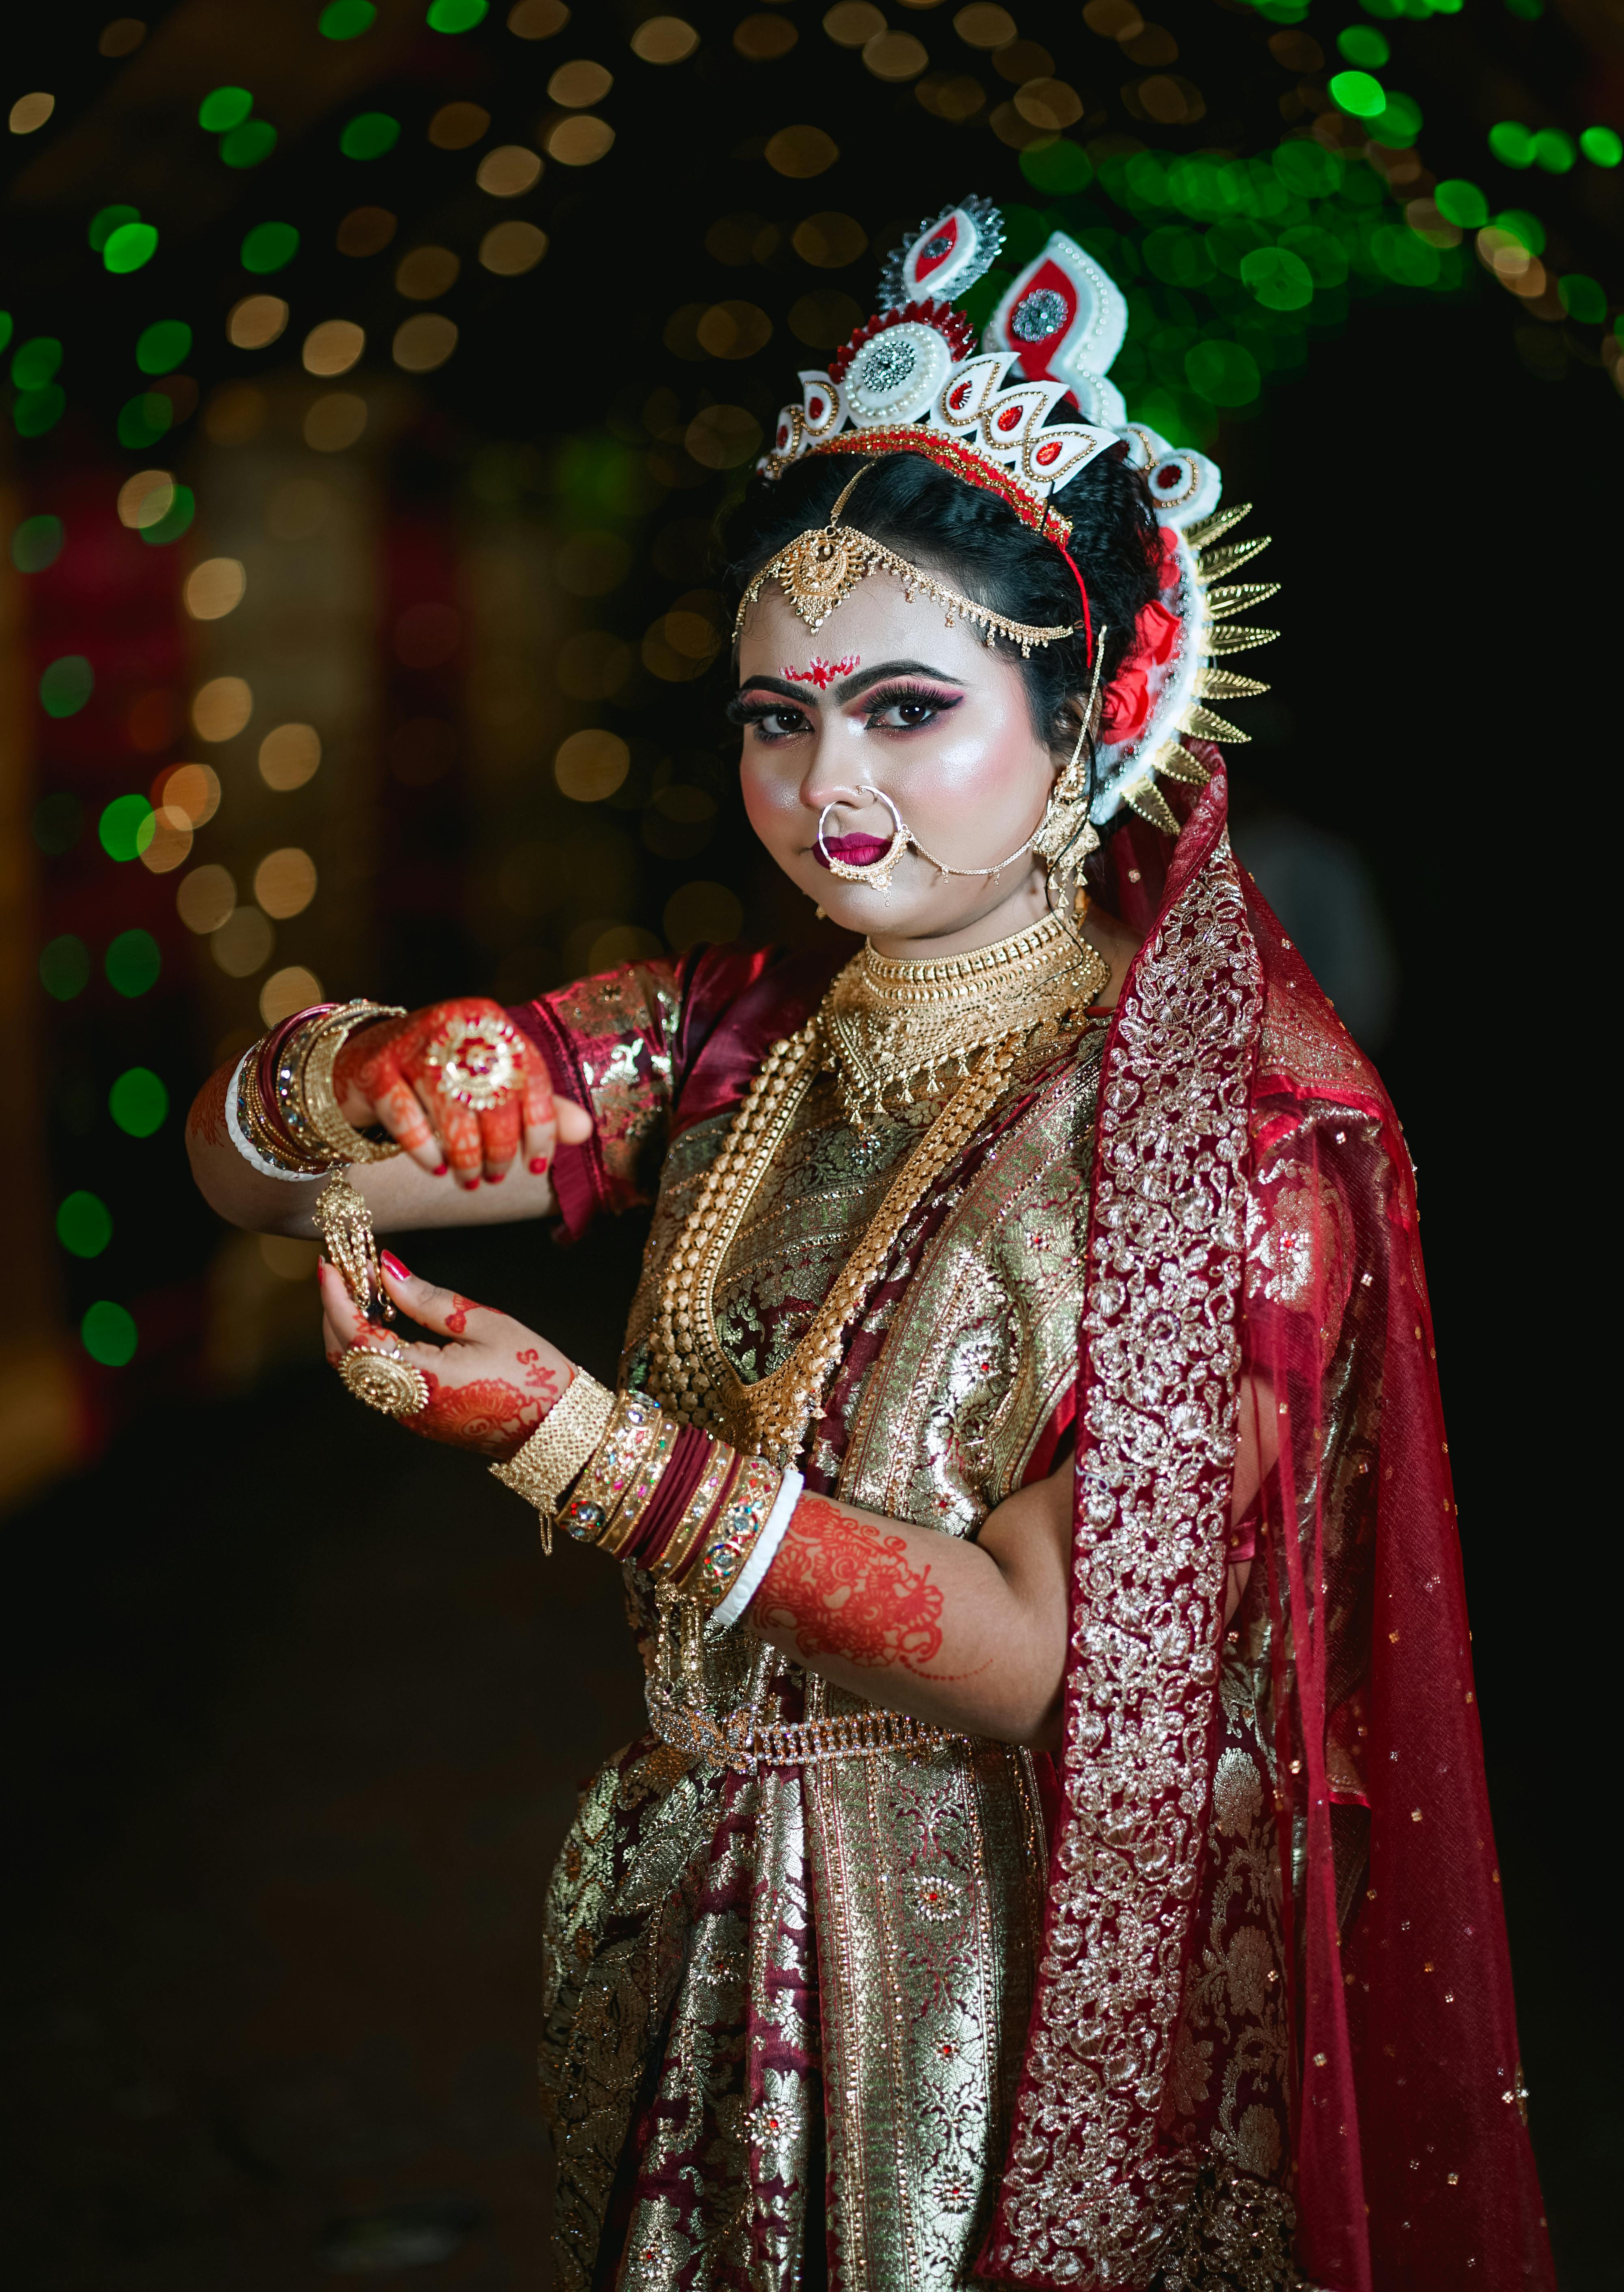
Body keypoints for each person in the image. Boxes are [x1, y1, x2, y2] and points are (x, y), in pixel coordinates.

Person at [188, 204, 1551, 2292]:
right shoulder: (748, 1035)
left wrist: (579, 1444)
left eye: (906, 712)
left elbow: (1032, 1661)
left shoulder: (1237, 1146)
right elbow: (257, 1178)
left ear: (1104, 705)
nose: (828, 790)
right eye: (772, 718)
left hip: (984, 1974)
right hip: (701, 1921)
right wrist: (372, 1065)